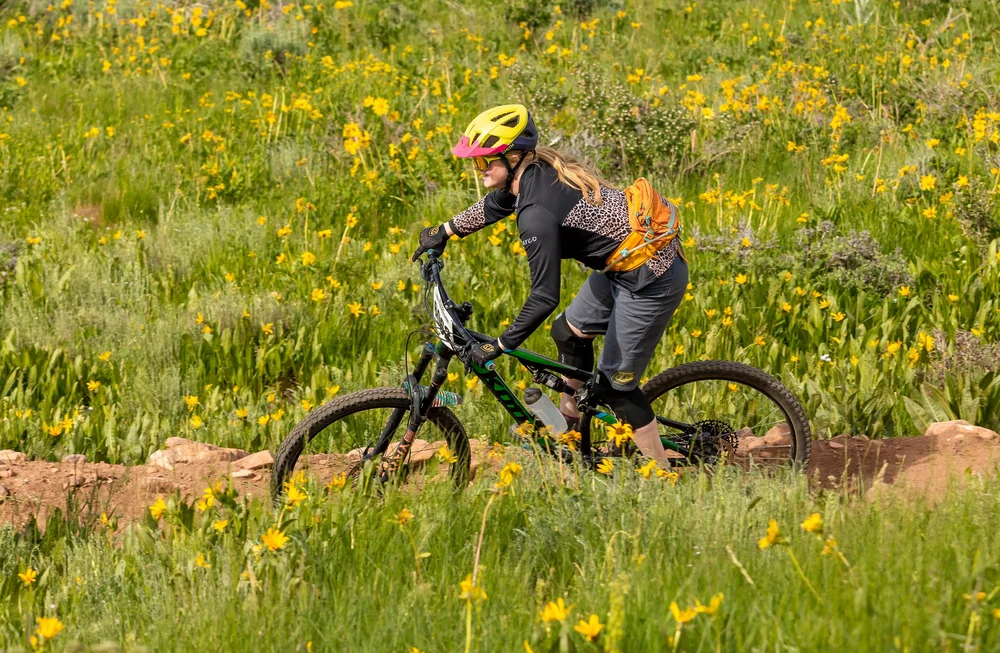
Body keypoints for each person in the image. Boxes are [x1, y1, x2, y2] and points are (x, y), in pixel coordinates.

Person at [411, 104, 687, 464]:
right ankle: (569, 434)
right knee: (569, 334)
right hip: (624, 269)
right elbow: (497, 204)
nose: (478, 171)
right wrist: (446, 230)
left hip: (652, 279)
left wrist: (500, 345)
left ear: (512, 157)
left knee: (617, 389)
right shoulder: (531, 173)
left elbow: (544, 296)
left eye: (484, 163)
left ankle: (661, 477)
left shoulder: (536, 214)